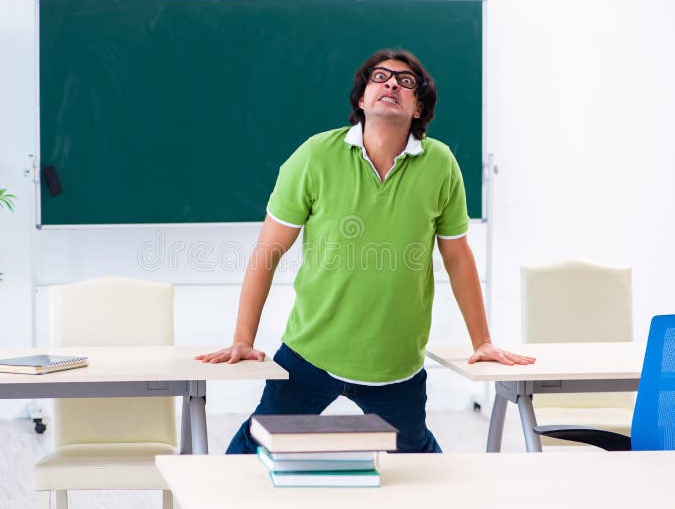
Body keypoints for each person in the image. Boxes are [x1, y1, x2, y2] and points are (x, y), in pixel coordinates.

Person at [195, 48, 535, 454]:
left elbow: (458, 258)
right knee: (250, 453)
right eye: (380, 77)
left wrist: (482, 341)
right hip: (310, 354)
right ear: (361, 99)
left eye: (405, 81)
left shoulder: (440, 164)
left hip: (395, 365)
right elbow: (267, 250)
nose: (391, 83)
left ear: (418, 107)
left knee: (420, 466)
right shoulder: (315, 155)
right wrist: (242, 338)